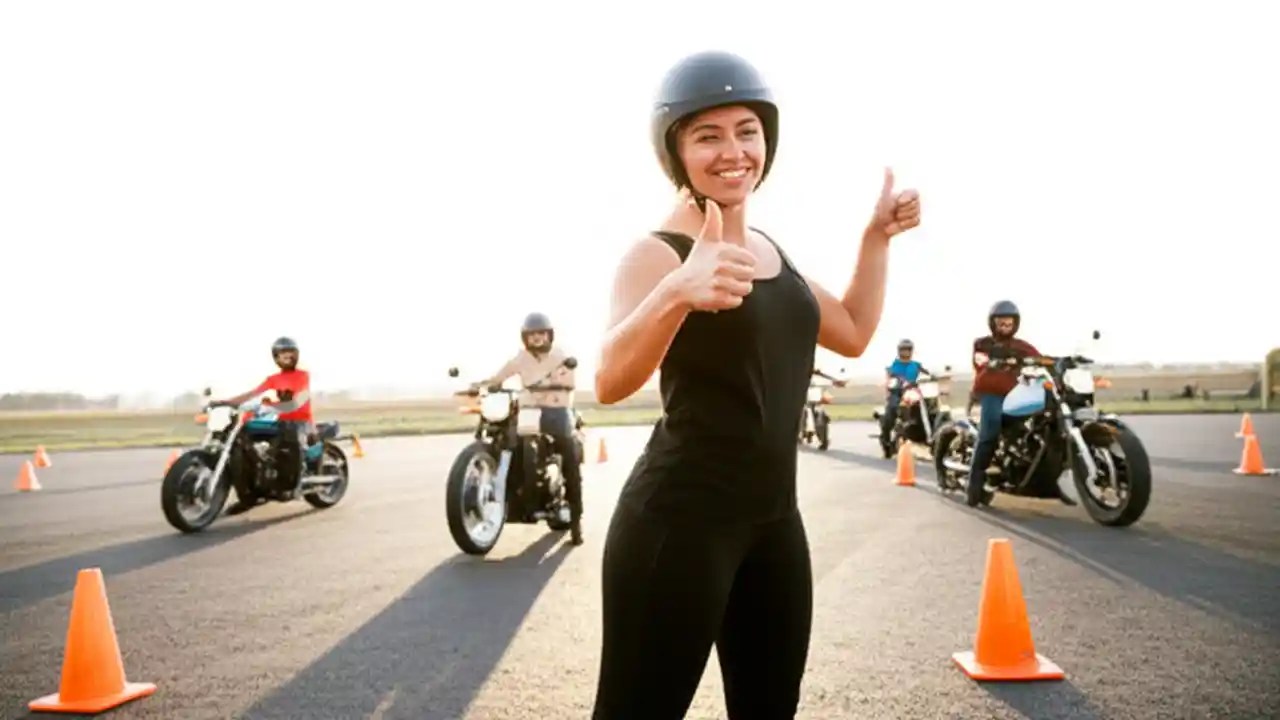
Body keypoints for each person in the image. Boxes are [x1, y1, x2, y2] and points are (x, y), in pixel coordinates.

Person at [590, 50, 922, 719]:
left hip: (773, 525)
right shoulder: (658, 253)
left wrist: (876, 237)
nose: (733, 151)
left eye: (747, 130)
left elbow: (853, 329)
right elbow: (608, 379)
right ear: (674, 151)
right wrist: (675, 294)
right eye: (706, 135)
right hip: (677, 527)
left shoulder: (771, 248)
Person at [473, 311, 584, 545]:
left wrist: (550, 385)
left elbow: (569, 381)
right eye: (532, 335)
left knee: (570, 456)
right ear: (526, 338)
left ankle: (576, 521)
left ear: (549, 336)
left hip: (556, 411)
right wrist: (484, 385)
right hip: (529, 411)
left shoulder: (561, 356)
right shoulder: (521, 358)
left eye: (541, 334)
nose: (537, 338)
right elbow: (502, 375)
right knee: (507, 437)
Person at [968, 301, 1076, 506]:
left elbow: (1039, 359)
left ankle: (1046, 478)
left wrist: (1062, 362)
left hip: (1016, 394)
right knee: (989, 433)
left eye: (1009, 321)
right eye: (1001, 321)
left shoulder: (1022, 347)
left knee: (1045, 419)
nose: (1005, 324)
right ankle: (974, 486)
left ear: (1015, 323)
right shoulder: (983, 344)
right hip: (989, 394)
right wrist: (997, 359)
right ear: (993, 323)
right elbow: (980, 359)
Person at [215, 336, 317, 515]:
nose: (287, 358)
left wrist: (272, 406)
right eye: (282, 355)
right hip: (281, 421)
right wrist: (226, 402)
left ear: (296, 356)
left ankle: (289, 485)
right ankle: (249, 495)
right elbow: (252, 393)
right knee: (241, 438)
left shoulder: (303, 376)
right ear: (276, 358)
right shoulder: (273, 379)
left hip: (301, 423)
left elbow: (297, 402)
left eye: (290, 354)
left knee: (288, 437)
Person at [878, 338, 932, 454]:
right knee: (891, 410)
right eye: (903, 350)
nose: (906, 352)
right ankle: (885, 440)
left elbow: (929, 373)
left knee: (930, 408)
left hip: (914, 393)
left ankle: (928, 436)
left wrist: (935, 376)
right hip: (897, 392)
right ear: (899, 351)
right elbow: (888, 378)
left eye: (908, 350)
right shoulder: (893, 366)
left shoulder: (916, 365)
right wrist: (891, 383)